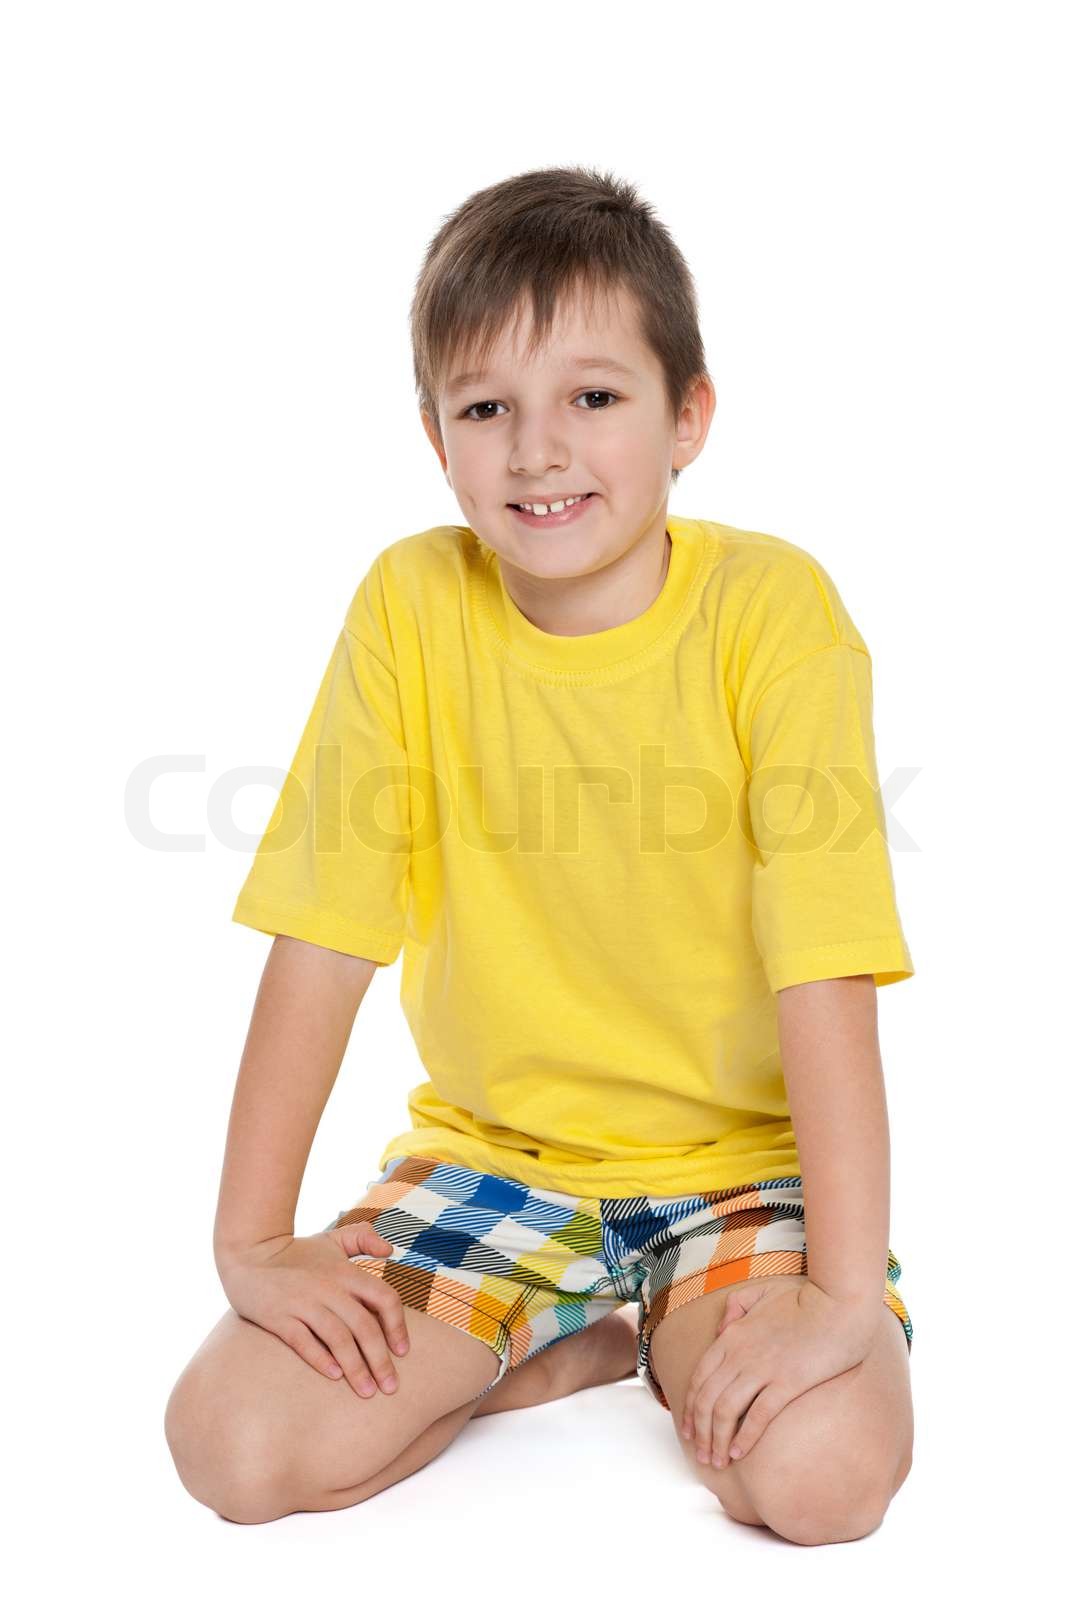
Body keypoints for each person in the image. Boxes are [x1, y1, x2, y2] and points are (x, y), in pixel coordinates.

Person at [164, 165, 916, 1544]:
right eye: (485, 407)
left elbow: (826, 963)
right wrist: (251, 1242)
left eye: (595, 397)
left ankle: (655, 1321)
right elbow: (324, 939)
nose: (538, 450)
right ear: (437, 438)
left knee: (821, 1480)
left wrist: (841, 1300)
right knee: (230, 1445)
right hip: (497, 1171)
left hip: (743, 1169)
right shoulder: (411, 604)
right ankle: (558, 1343)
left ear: (688, 415)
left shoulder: (774, 613)